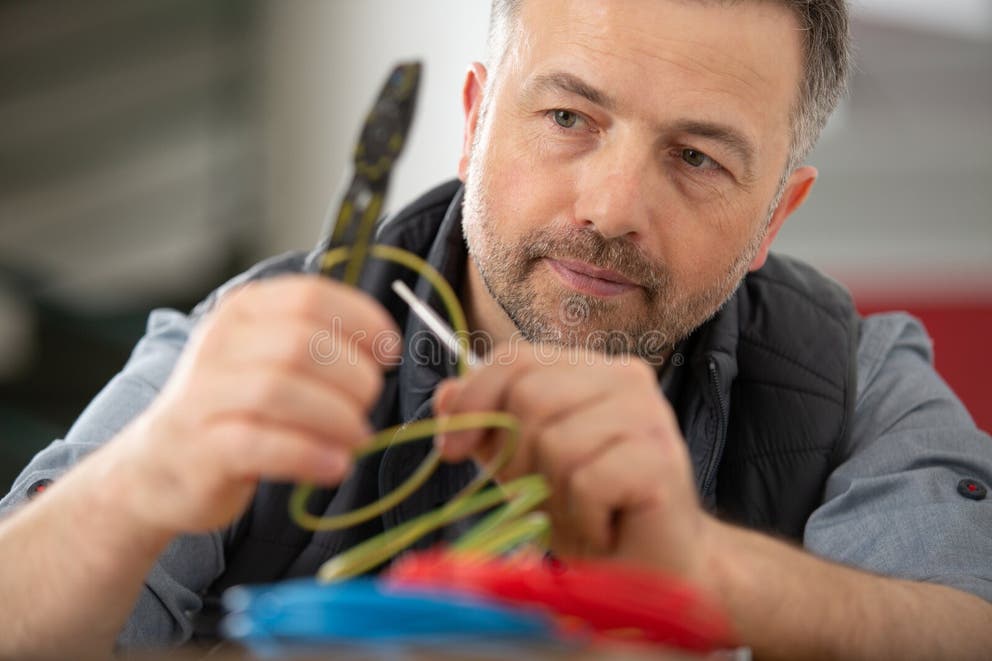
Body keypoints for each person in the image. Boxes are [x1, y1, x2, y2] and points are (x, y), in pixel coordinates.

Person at [2, 0, 991, 658]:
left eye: (695, 158)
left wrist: (704, 571)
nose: (608, 207)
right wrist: (136, 487)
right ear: (474, 121)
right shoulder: (231, 351)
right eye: (567, 117)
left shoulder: (858, 382)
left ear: (772, 216)